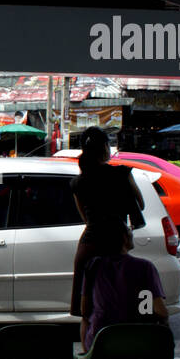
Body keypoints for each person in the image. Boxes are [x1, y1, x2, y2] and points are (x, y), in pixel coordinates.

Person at [81, 223, 169, 359]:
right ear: (123, 239)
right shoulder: (145, 267)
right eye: (130, 233)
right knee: (164, 342)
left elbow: (85, 310)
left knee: (89, 323)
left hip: (100, 346)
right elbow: (159, 310)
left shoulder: (93, 266)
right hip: (139, 346)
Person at [69, 126, 144, 325]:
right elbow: (140, 205)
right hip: (115, 244)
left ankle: (88, 353)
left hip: (88, 247)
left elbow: (86, 218)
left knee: (86, 312)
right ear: (104, 147)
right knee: (117, 304)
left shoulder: (78, 182)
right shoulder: (122, 174)